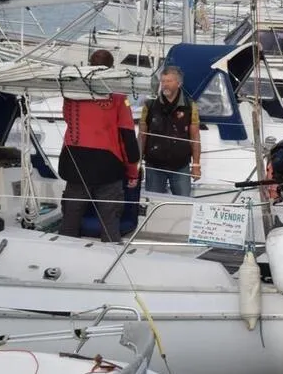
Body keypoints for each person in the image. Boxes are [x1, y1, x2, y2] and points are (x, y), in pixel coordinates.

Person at [58, 50, 140, 242]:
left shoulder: (71, 93)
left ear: (89, 64)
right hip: (107, 165)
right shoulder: (118, 96)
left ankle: (62, 252)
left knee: (70, 220)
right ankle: (111, 255)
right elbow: (127, 136)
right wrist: (132, 172)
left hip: (75, 162)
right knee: (110, 222)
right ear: (111, 68)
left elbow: (68, 119)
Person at [140, 66, 201, 196]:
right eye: (163, 81)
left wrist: (196, 165)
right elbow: (142, 136)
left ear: (179, 83)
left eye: (169, 81)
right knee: (153, 201)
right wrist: (138, 163)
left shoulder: (190, 106)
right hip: (154, 164)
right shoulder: (149, 105)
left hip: (180, 165)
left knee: (184, 202)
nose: (165, 85)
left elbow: (195, 137)